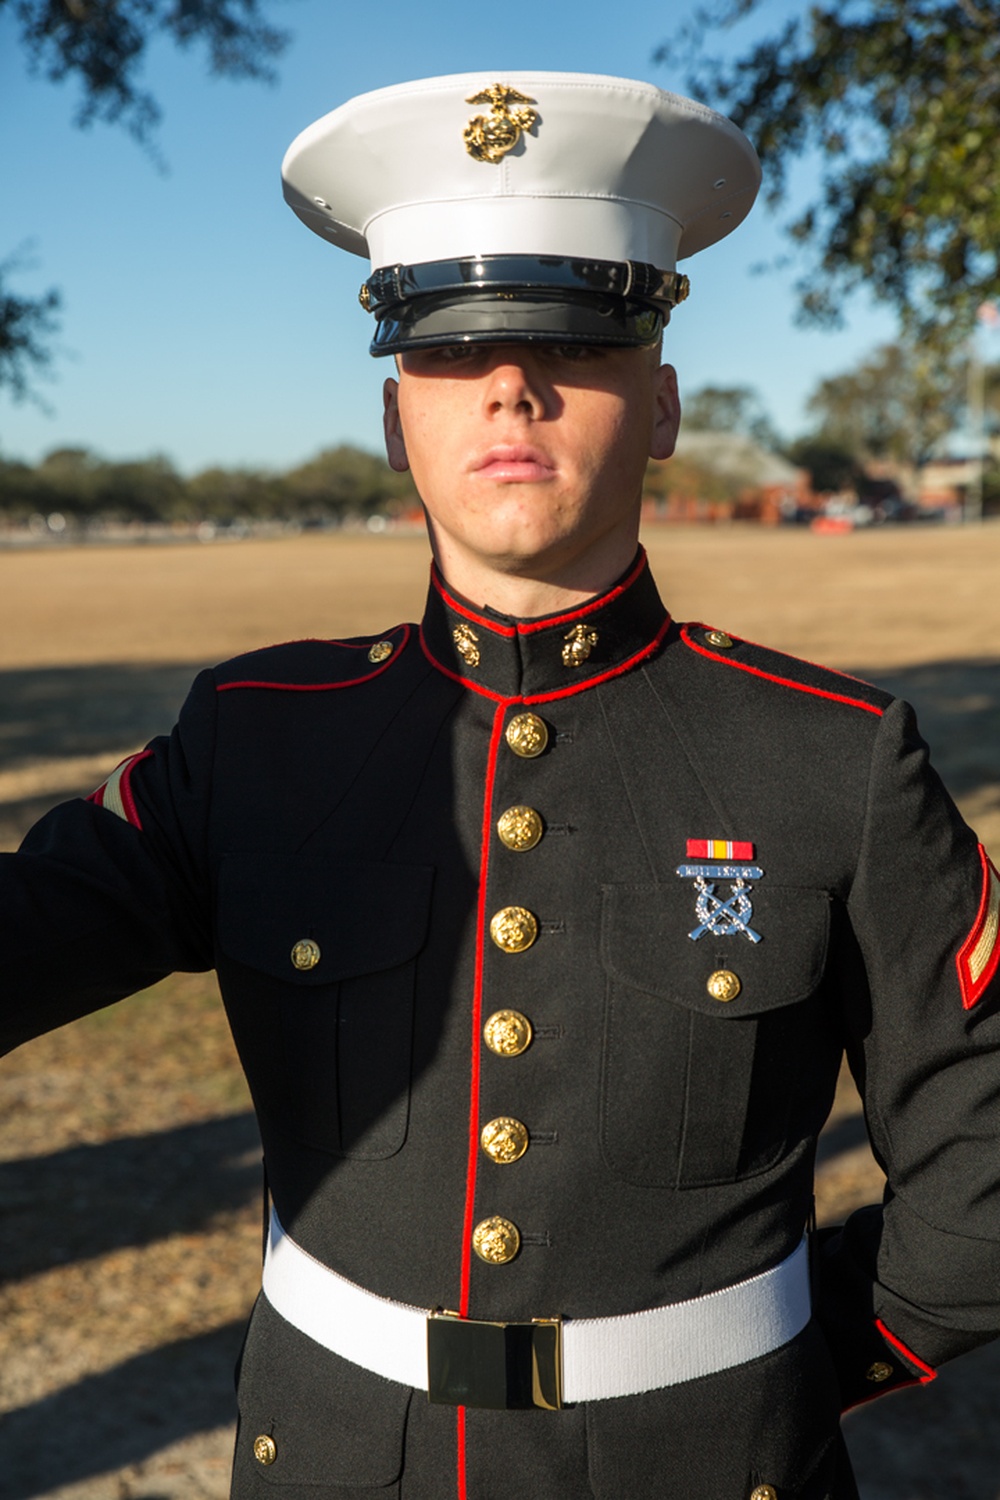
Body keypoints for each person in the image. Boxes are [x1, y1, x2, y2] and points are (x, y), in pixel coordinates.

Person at [3, 70, 1000, 1500]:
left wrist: (782, 1357)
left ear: (659, 404)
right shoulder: (259, 737)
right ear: (395, 415)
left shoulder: (829, 757)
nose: (512, 386)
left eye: (575, 342)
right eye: (451, 350)